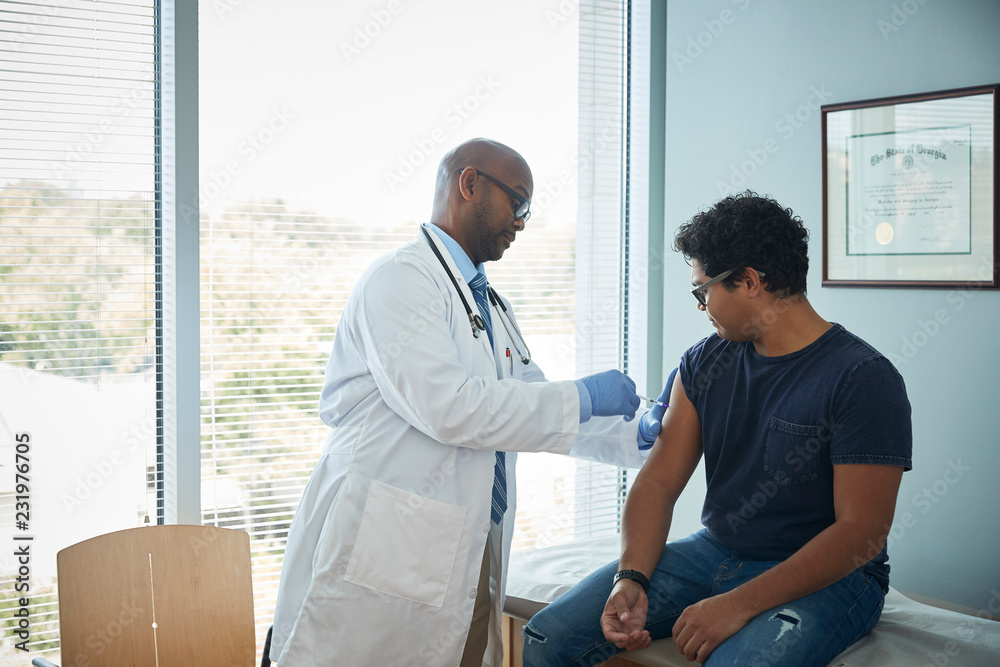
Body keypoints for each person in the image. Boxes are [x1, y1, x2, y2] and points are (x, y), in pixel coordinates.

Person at [269, 138, 660, 667]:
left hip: (468, 541)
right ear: (469, 183)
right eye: (517, 203)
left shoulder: (487, 302)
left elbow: (526, 409)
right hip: (388, 542)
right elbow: (450, 408)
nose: (521, 222)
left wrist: (634, 435)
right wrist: (584, 396)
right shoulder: (402, 281)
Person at [522, 192, 913, 666]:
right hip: (717, 551)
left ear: (749, 281)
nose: (702, 305)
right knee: (548, 636)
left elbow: (861, 533)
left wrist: (739, 603)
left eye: (703, 290)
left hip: (834, 576)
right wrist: (631, 578)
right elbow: (659, 482)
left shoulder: (862, 378)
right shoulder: (706, 361)